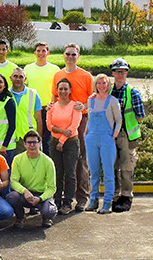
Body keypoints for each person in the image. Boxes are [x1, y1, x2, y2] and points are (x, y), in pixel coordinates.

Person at [53, 43, 93, 209]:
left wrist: (84, 106)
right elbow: (55, 97)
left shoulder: (86, 76)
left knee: (80, 158)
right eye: (68, 54)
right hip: (61, 122)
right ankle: (62, 197)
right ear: (63, 55)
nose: (70, 57)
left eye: (73, 54)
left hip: (80, 121)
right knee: (61, 161)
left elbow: (94, 98)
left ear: (78, 56)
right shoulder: (58, 75)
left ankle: (82, 197)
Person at [110, 58, 145, 209]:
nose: (121, 75)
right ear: (113, 73)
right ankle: (115, 196)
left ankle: (126, 197)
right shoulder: (109, 91)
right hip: (111, 135)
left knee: (126, 167)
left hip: (127, 135)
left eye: (123, 72)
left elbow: (140, 116)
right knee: (112, 166)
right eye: (118, 72)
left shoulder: (132, 92)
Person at [85, 73, 122, 215]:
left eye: (104, 83)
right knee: (93, 172)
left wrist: (114, 136)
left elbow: (119, 120)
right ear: (95, 85)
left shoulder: (112, 101)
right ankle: (93, 200)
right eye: (99, 83)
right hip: (92, 139)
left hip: (107, 139)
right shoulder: (91, 100)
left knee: (108, 173)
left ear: (108, 85)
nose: (101, 86)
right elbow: (89, 118)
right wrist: (86, 134)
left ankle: (107, 202)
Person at [6, 130, 57, 228]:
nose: (32, 145)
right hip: (26, 194)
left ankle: (46, 218)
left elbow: (52, 188)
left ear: (40, 143)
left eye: (35, 142)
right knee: (12, 197)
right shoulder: (18, 159)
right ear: (24, 144)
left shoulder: (48, 161)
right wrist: (25, 191)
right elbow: (13, 181)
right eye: (29, 143)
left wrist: (40, 198)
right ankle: (20, 217)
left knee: (49, 211)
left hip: (41, 194)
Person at [46, 78, 82, 214]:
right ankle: (56, 201)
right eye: (60, 89)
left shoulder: (75, 106)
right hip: (54, 142)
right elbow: (49, 125)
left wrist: (62, 140)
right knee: (57, 173)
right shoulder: (52, 106)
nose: (63, 91)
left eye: (66, 89)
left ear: (70, 90)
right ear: (57, 91)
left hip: (71, 143)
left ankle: (67, 203)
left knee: (70, 174)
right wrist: (61, 132)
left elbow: (73, 126)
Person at [24, 42, 60, 141]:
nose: (41, 53)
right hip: (32, 110)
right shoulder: (27, 68)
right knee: (33, 137)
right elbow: (25, 88)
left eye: (43, 51)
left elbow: (58, 91)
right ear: (34, 53)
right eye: (38, 51)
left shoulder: (55, 69)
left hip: (48, 109)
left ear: (48, 53)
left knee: (48, 139)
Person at [9, 67, 45, 156]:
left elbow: (39, 120)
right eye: (15, 76)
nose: (18, 79)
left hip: (30, 138)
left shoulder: (33, 94)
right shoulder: (6, 94)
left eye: (21, 77)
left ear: (25, 79)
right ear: (11, 78)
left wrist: (39, 140)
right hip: (11, 138)